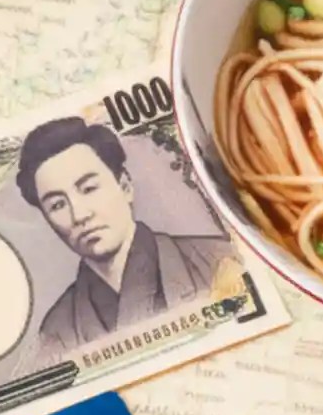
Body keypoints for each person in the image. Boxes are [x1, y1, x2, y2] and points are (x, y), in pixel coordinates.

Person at [15, 117, 245, 353]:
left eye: (89, 189)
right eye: (57, 205)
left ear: (125, 186)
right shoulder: (57, 331)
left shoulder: (218, 263)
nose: (79, 215)